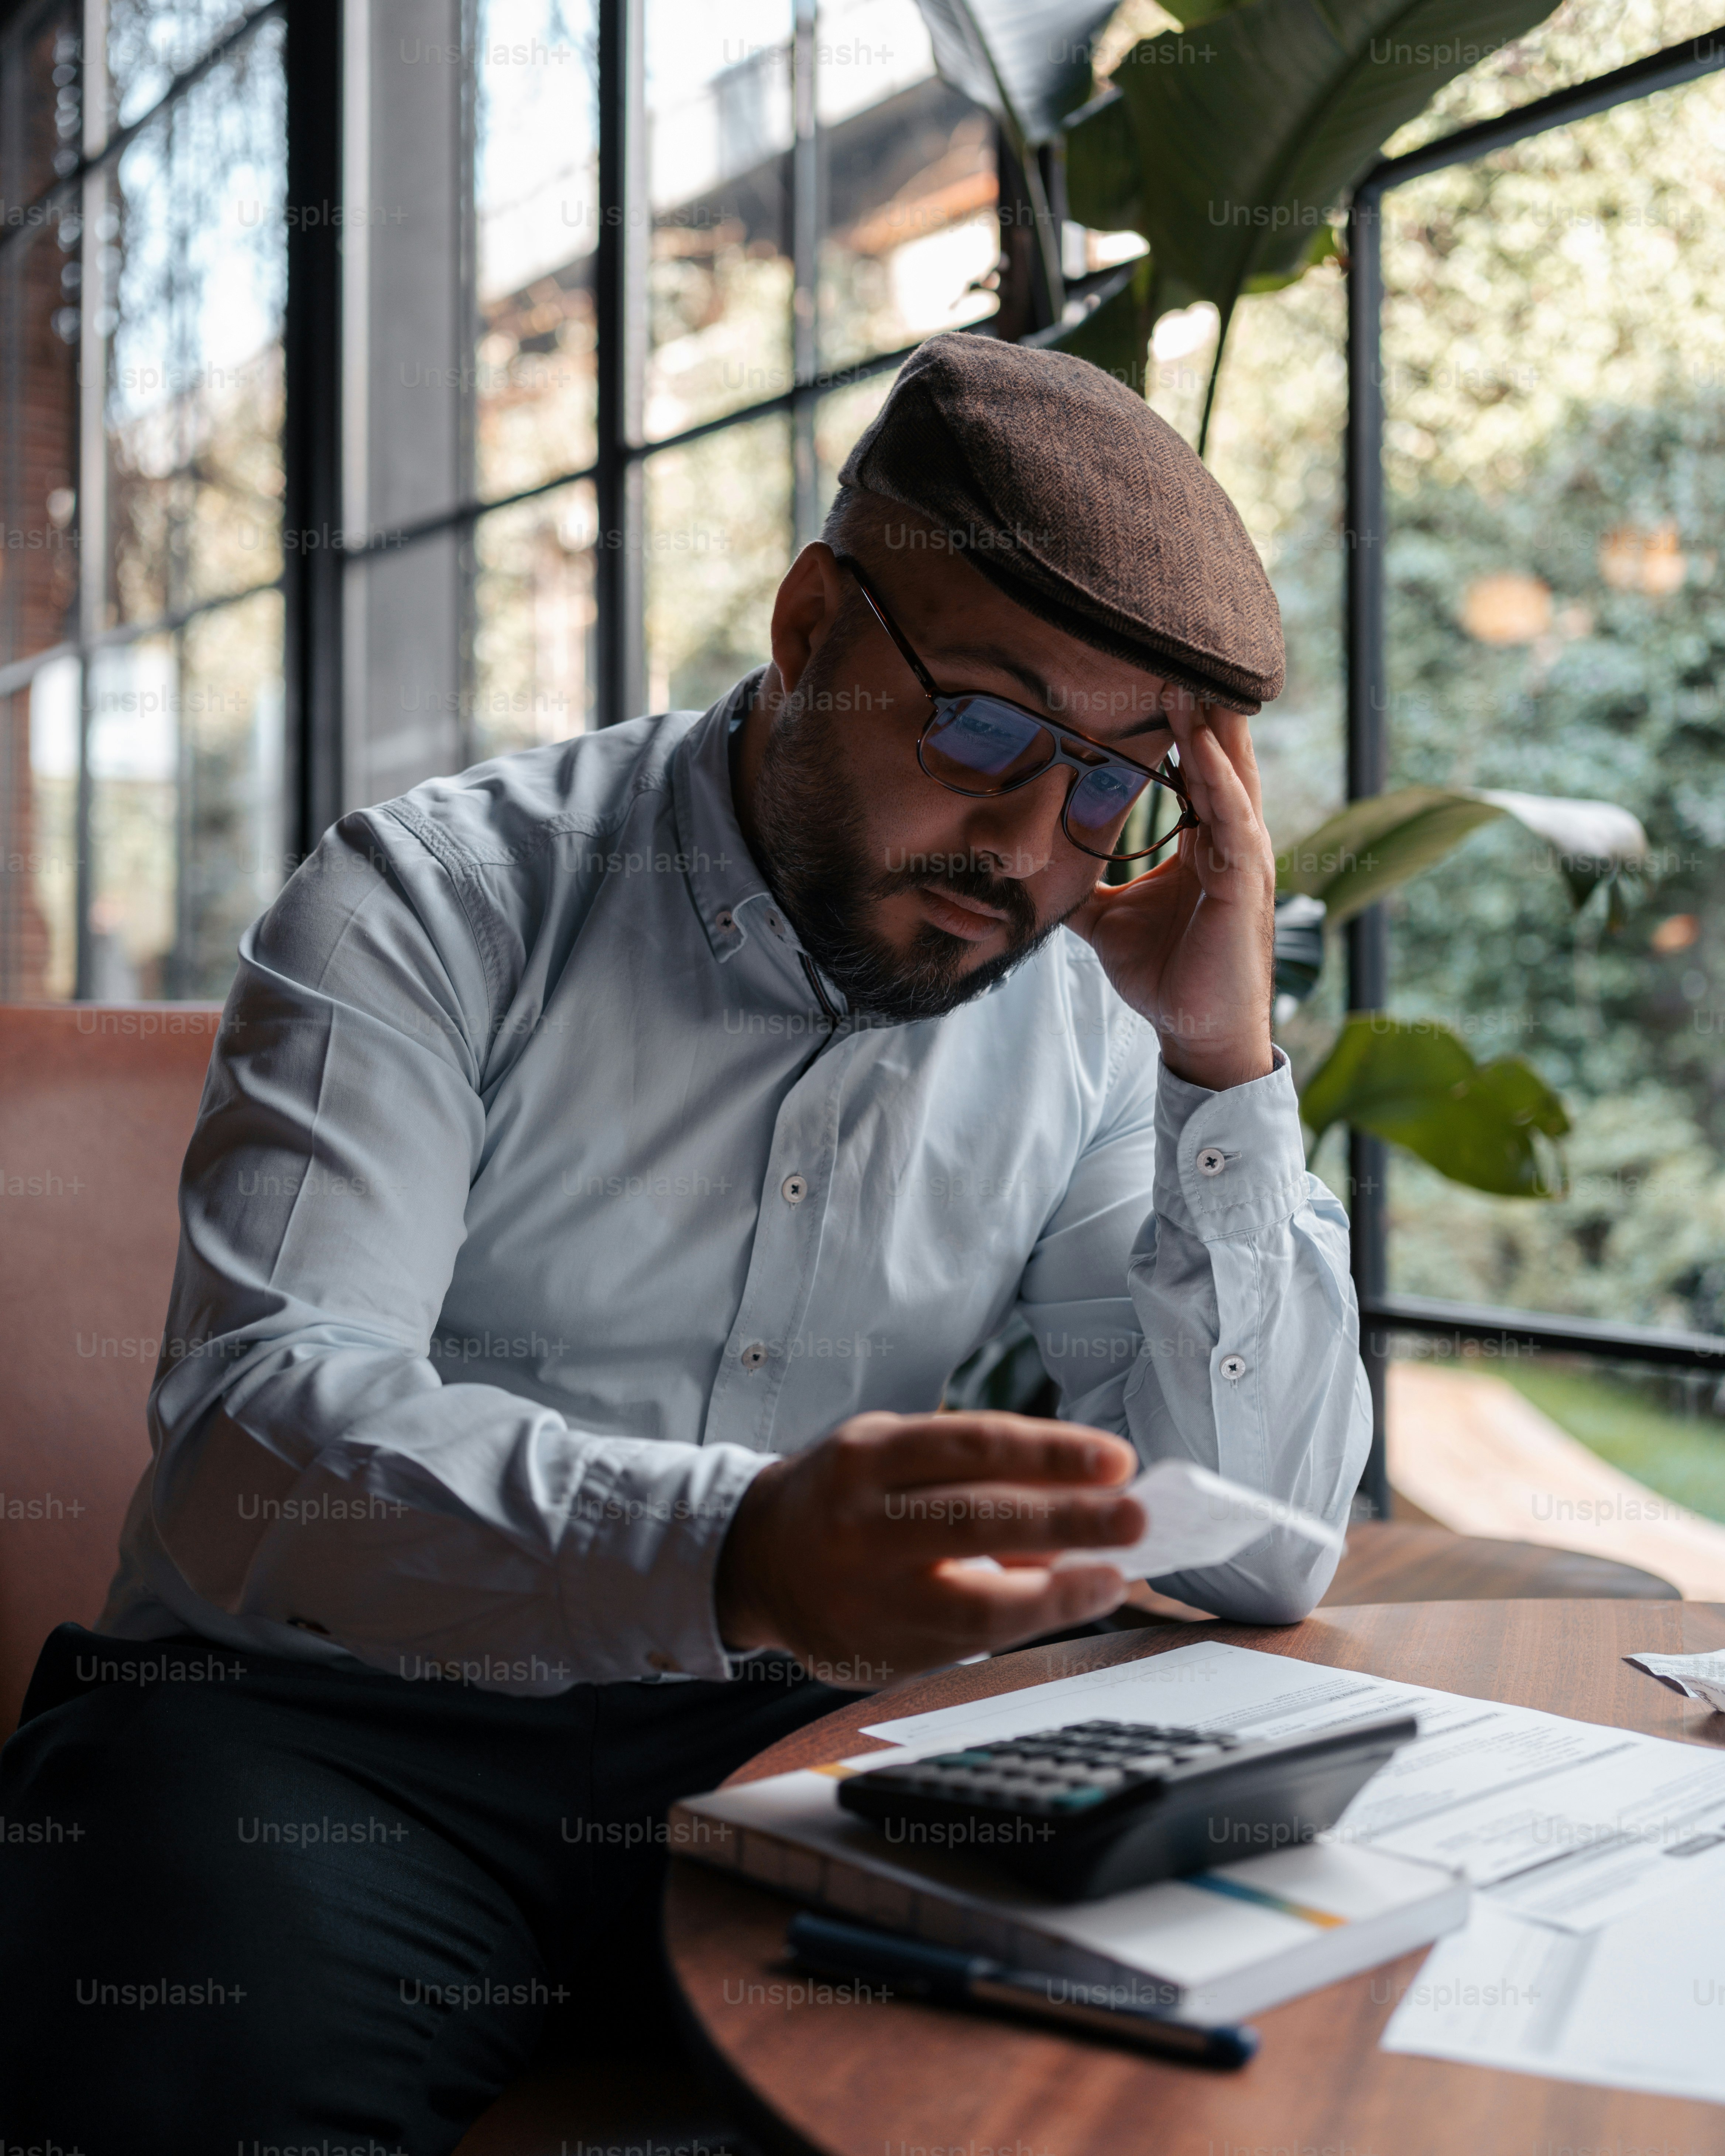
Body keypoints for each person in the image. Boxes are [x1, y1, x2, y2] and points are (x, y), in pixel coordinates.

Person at [0, 334, 1369, 2148]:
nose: (1033, 846)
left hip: (781, 1746)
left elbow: (1259, 1546)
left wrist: (1219, 1062)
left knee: (1134, 2070)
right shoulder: (432, 901)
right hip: (317, 1726)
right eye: (984, 725)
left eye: (1113, 783)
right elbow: (265, 1438)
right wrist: (739, 1550)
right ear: (808, 626)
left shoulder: (1090, 1012)